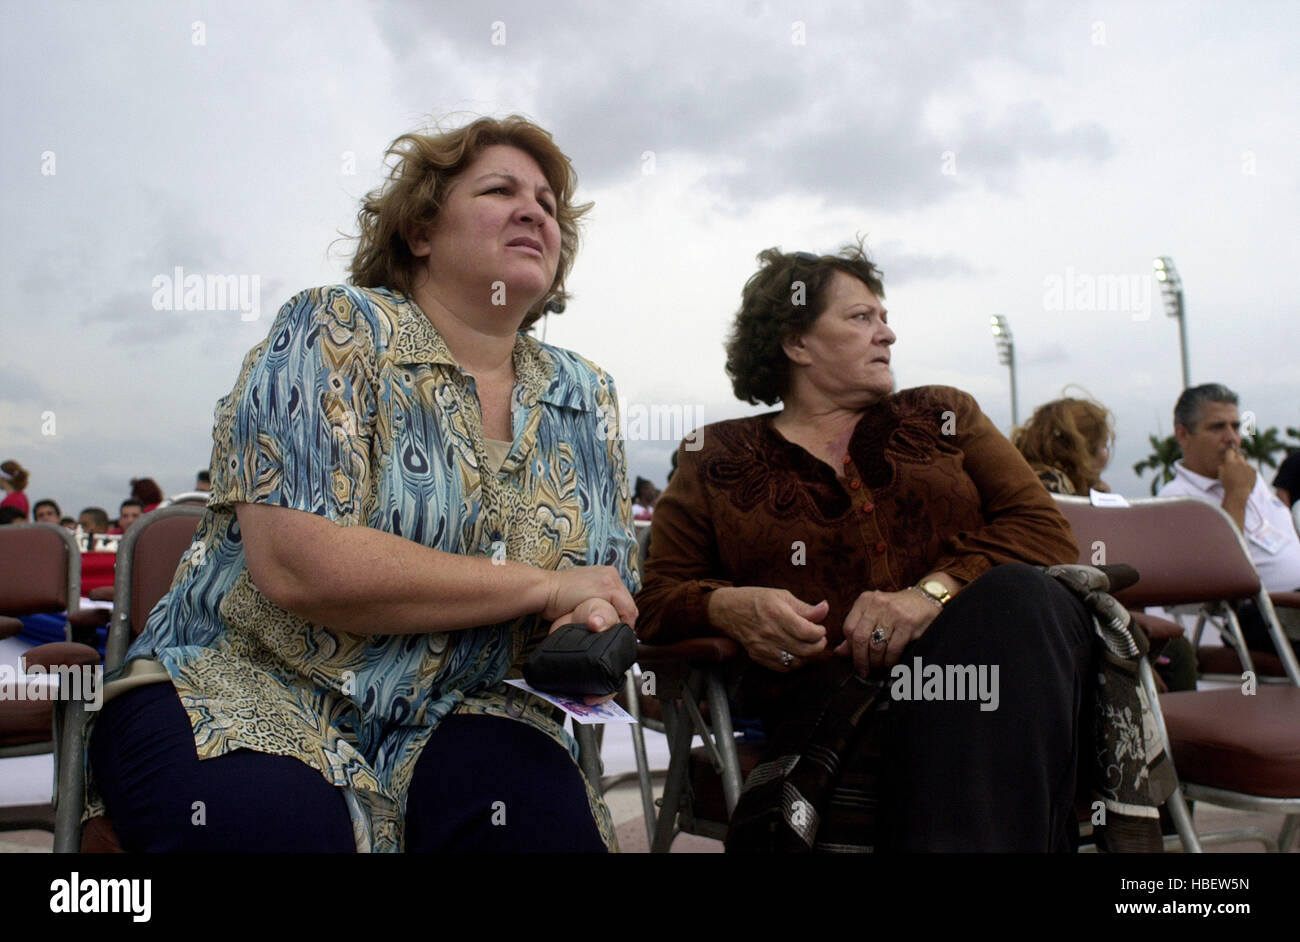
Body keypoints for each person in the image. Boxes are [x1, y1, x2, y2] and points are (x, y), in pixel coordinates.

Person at [85, 115, 639, 853]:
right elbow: (301, 563)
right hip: (249, 684)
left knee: (538, 829)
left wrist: (589, 612)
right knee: (274, 832)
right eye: (500, 191)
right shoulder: (333, 328)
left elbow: (599, 578)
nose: (534, 212)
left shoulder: (585, 393)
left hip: (467, 708)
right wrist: (541, 587)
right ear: (420, 231)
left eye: (546, 203)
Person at [636, 243, 1098, 852]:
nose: (888, 334)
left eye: (884, 317)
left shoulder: (943, 414)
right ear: (796, 342)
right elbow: (656, 601)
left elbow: (1045, 531)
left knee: (1017, 596)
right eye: (862, 317)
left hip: (991, 671)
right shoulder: (715, 457)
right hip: (833, 701)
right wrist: (726, 606)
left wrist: (930, 595)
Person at [1016, 395, 1196, 691]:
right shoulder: (1056, 491)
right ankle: (1165, 721)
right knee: (1178, 652)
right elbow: (1074, 573)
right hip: (1060, 622)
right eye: (1102, 446)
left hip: (1042, 617)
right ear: (1082, 450)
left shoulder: (1026, 478)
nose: (1105, 456)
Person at [1157, 384, 1300, 651]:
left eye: (1235, 426)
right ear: (1183, 435)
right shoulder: (1176, 499)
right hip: (1256, 617)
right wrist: (1236, 494)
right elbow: (1219, 576)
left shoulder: (1253, 482)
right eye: (1217, 427)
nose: (1232, 438)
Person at [1012, 395, 1114, 495]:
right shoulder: (1053, 485)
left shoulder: (1022, 477)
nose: (1105, 456)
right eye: (1104, 445)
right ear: (1084, 450)